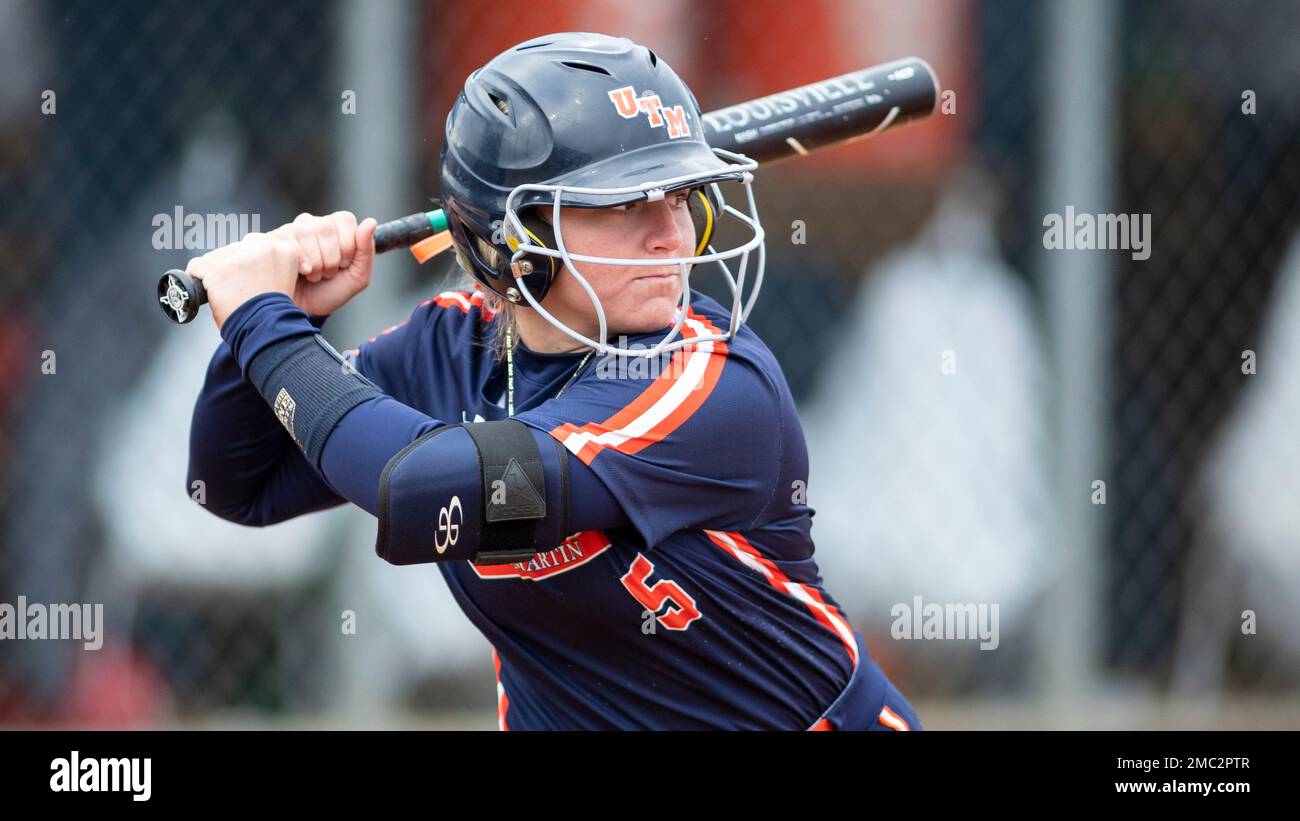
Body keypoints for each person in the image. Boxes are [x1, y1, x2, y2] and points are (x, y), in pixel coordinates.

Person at [186, 31, 921, 730]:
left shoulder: (710, 384)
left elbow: (429, 488)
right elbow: (238, 485)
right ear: (517, 241)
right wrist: (268, 317)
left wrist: (261, 319)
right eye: (627, 204)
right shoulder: (451, 345)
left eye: (678, 197)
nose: (670, 235)